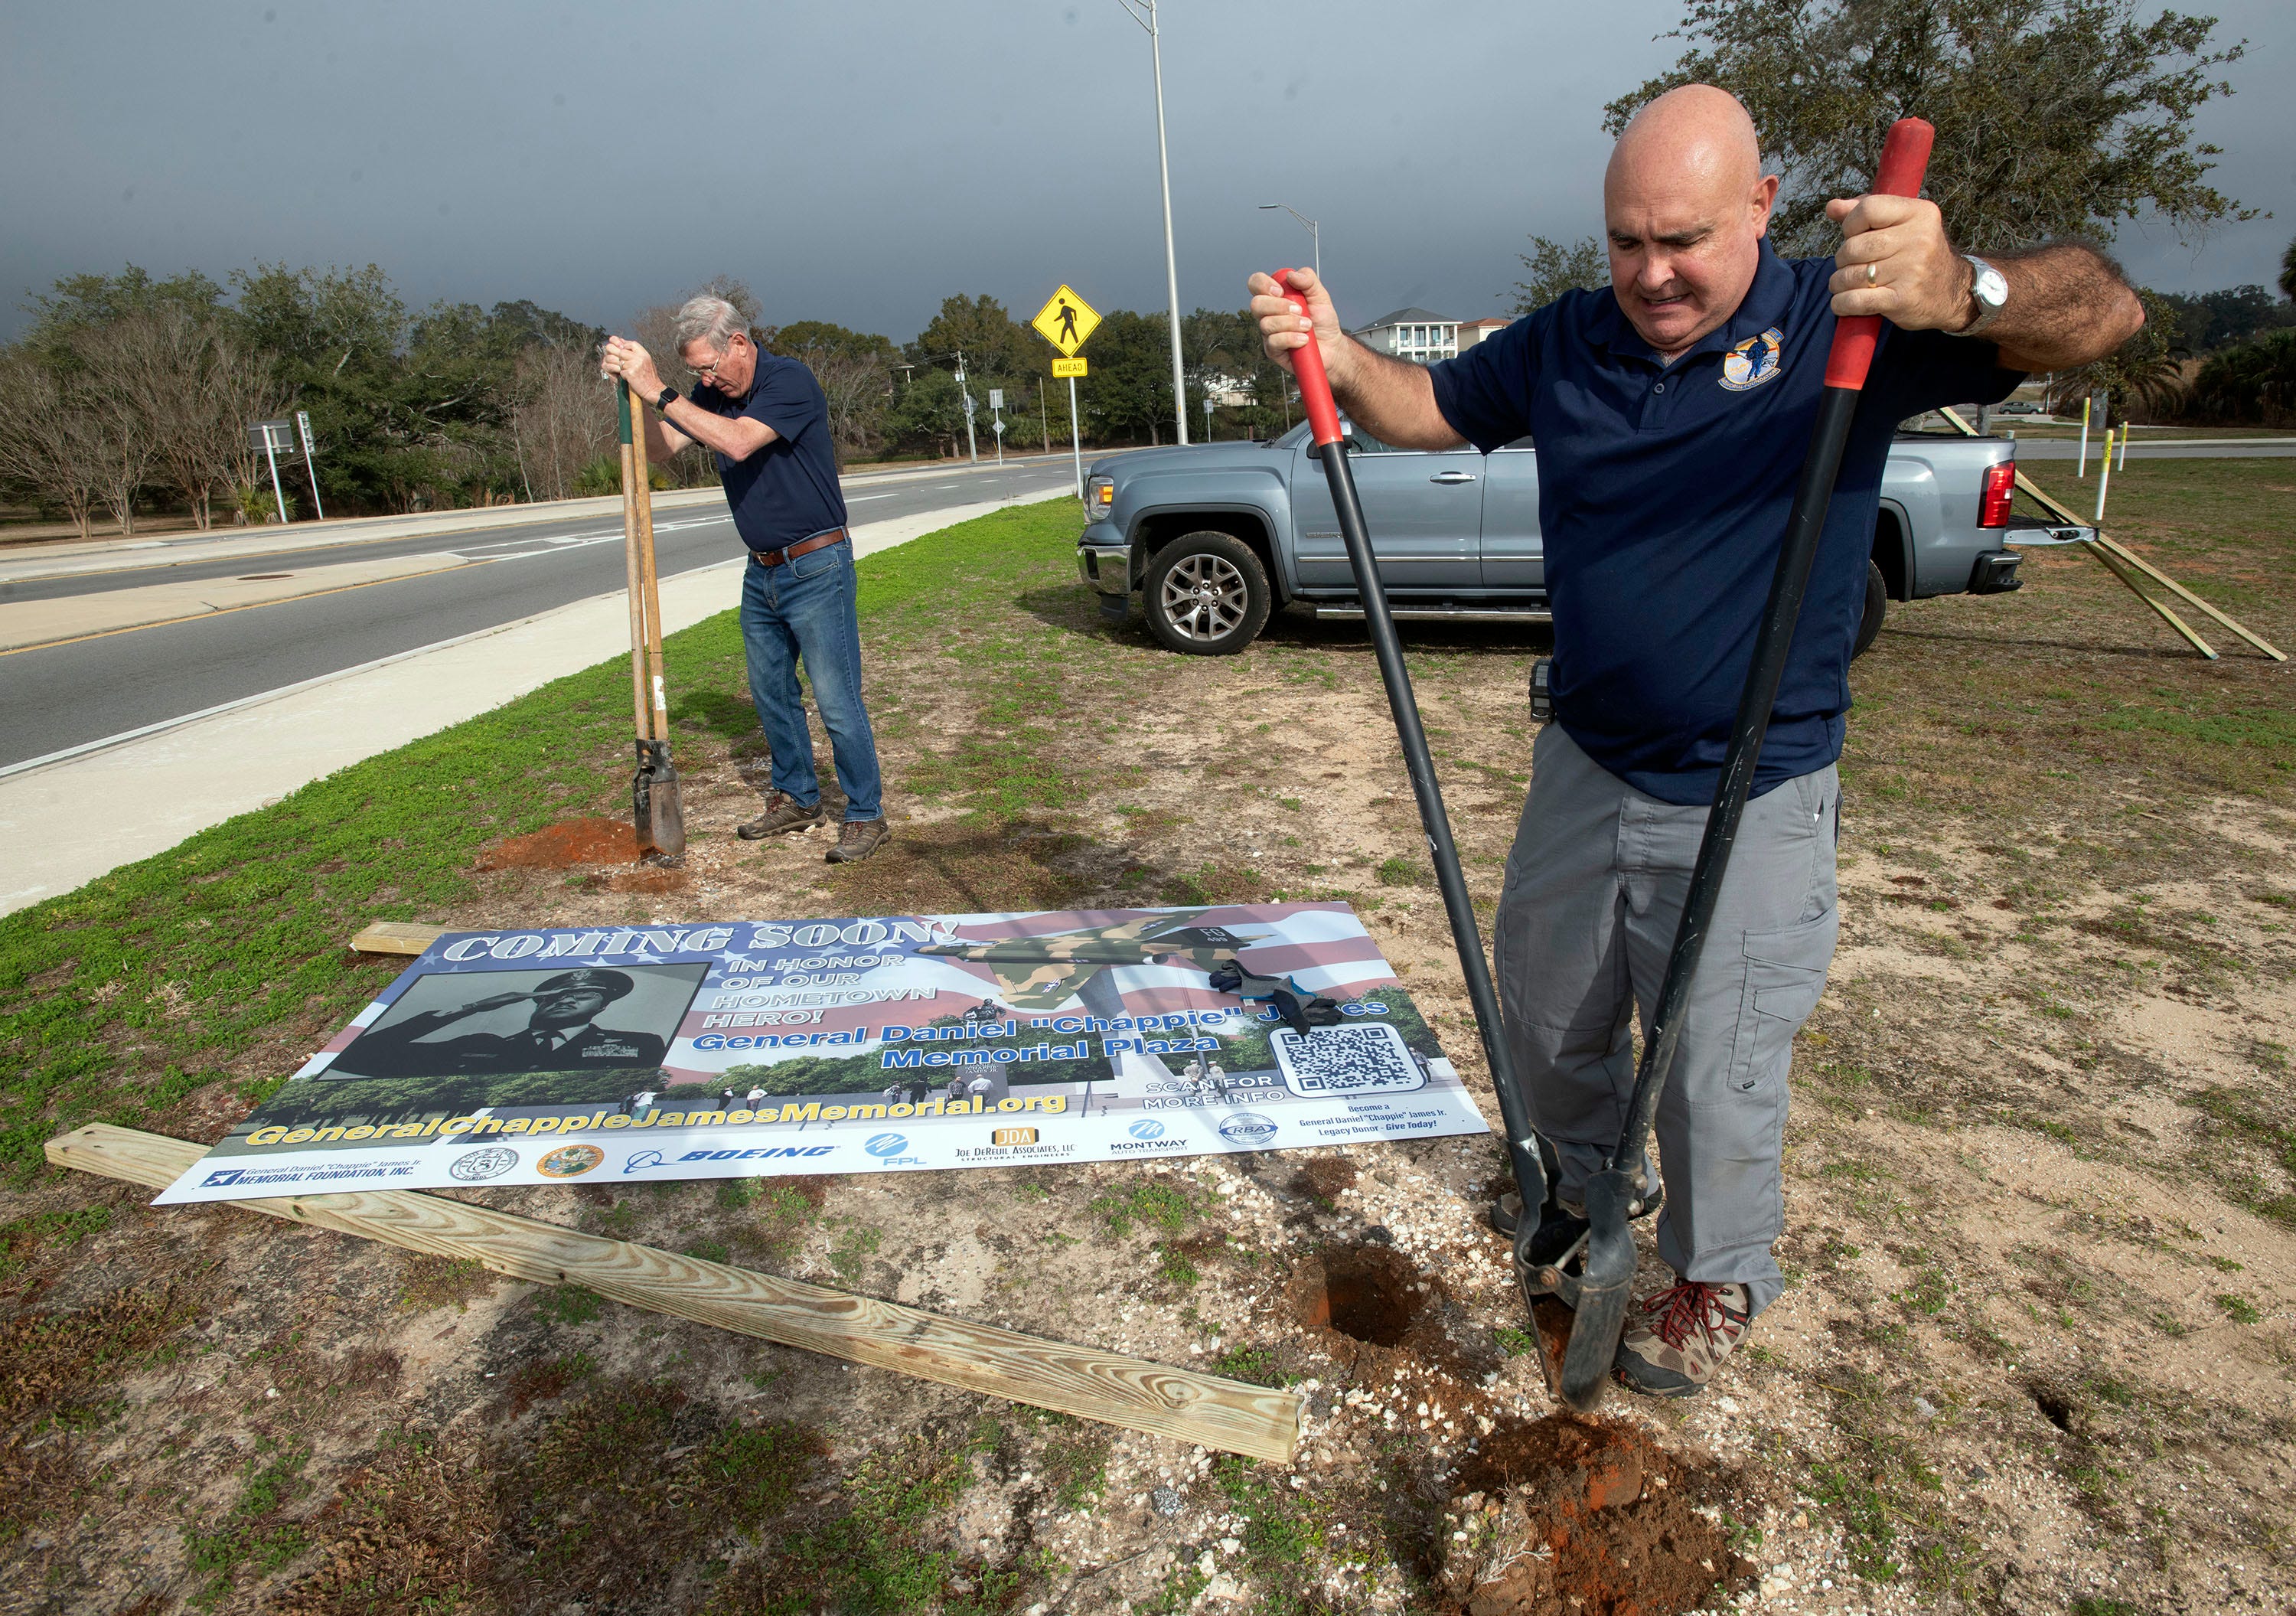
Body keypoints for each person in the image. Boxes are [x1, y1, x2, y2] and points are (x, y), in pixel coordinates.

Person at [1250, 85, 2141, 1399]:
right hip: (1588, 756)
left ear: (1764, 211)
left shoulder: (1852, 317)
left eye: (1684, 239)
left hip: (1756, 780)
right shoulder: (1570, 342)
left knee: (1717, 1068)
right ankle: (1588, 1189)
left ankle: (1718, 1274)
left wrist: (1968, 287)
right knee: (1549, 1023)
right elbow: (1425, 408)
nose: (1652, 273)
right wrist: (1336, 346)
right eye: (1626, 242)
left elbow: (2106, 313)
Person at [601, 297, 889, 863]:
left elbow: (735, 441)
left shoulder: (790, 381)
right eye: (696, 373)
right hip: (762, 570)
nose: (706, 379)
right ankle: (799, 797)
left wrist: (661, 389)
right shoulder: (713, 392)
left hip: (818, 565)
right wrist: (632, 391)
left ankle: (865, 814)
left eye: (710, 366)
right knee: (771, 693)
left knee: (836, 699)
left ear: (739, 343)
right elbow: (664, 448)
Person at [338, 970, 669, 1078]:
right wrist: (470, 1008)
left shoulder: (641, 1043)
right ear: (536, 1003)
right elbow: (357, 1057)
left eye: (583, 995)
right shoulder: (479, 1046)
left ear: (603, 1005)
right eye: (552, 996)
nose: (565, 999)